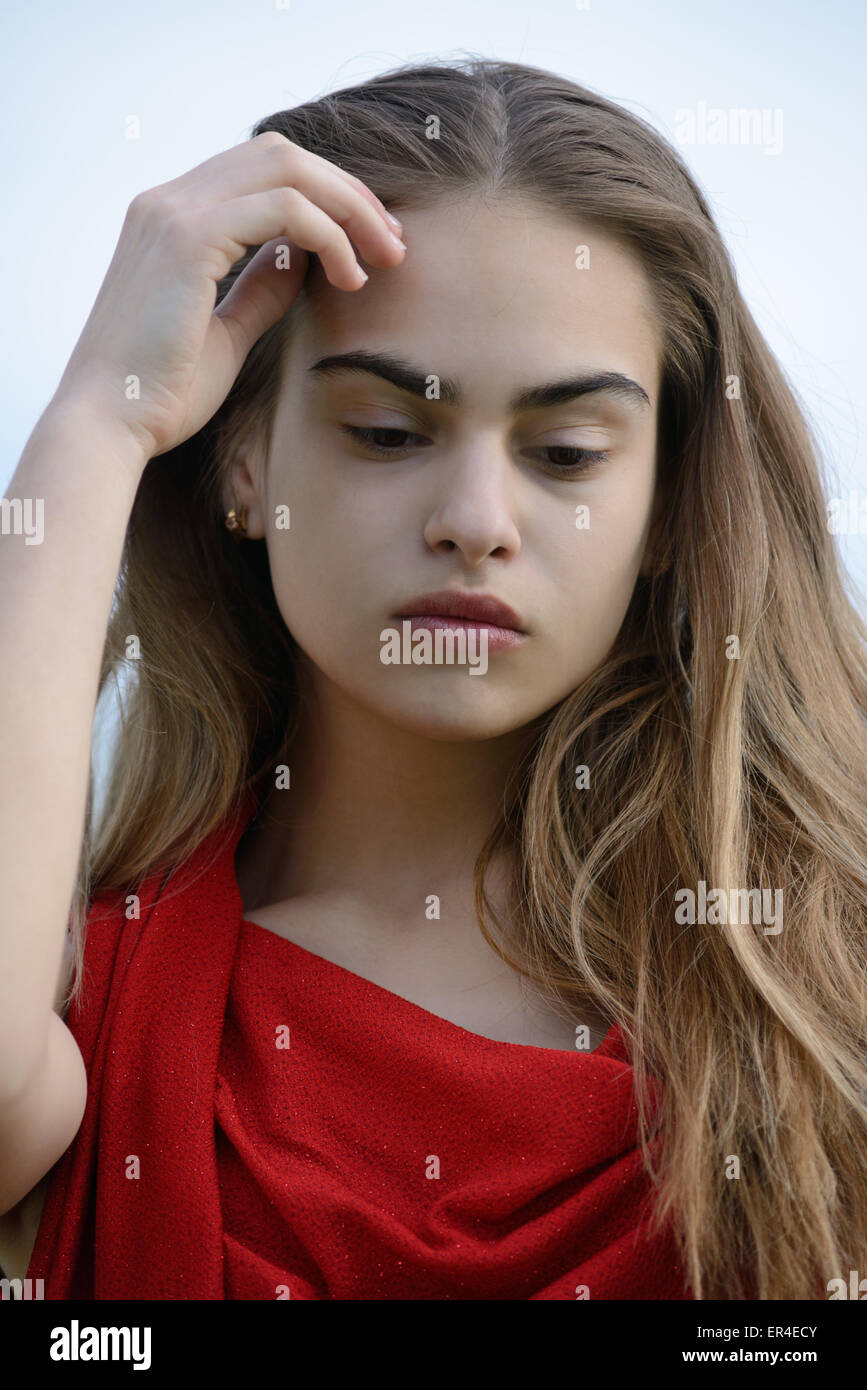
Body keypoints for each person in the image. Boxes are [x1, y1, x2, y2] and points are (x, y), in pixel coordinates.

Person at [0, 57, 865, 1301]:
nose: (475, 519)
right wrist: (97, 420)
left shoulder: (827, 998)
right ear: (242, 461)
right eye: (389, 433)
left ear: (667, 508)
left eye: (566, 452)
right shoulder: (98, 1007)